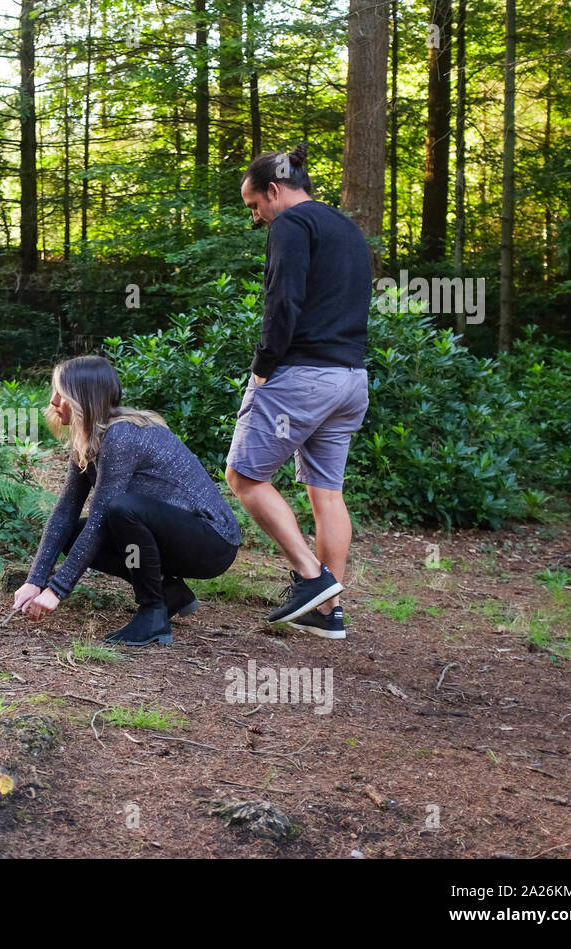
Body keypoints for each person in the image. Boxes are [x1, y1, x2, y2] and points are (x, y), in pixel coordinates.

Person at [224, 142, 371, 640]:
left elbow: (283, 299)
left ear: (274, 191)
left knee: (244, 476)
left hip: (303, 376)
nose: (257, 219)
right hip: (351, 379)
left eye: (254, 207)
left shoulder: (292, 224)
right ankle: (328, 613)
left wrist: (264, 366)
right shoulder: (345, 227)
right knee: (326, 491)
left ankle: (312, 579)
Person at [12, 356, 241, 646]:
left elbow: (100, 518)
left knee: (121, 510)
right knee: (73, 532)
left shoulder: (121, 435)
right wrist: (35, 580)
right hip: (175, 535)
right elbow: (64, 514)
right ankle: (166, 593)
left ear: (83, 399)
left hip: (213, 541)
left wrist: (56, 590)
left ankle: (152, 613)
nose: (54, 401)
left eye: (61, 393)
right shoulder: (89, 440)